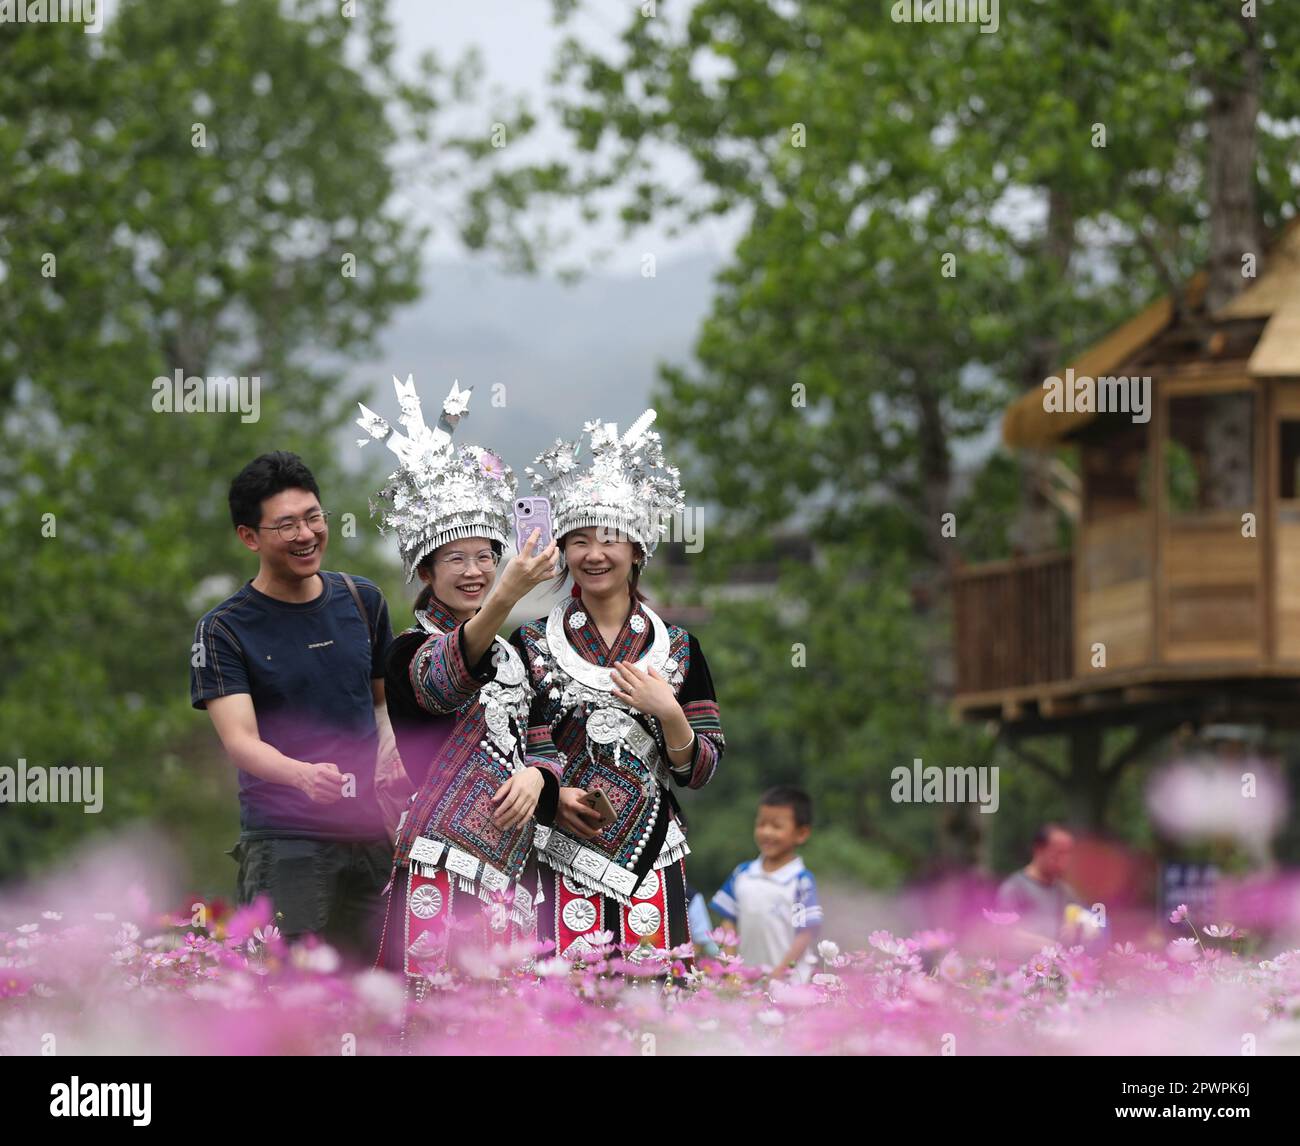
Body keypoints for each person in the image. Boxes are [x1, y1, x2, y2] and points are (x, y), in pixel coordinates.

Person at [356, 378, 561, 990]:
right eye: (457, 560)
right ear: (427, 570)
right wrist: (508, 594)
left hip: (515, 874)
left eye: (485, 557)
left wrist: (538, 776)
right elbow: (446, 679)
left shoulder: (519, 655)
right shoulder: (407, 652)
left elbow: (545, 743)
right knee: (434, 1022)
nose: (474, 572)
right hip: (438, 870)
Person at [511, 410, 725, 966]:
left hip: (653, 852)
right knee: (565, 1015)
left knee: (652, 1012)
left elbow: (700, 771)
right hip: (558, 855)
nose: (594, 555)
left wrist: (668, 712)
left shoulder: (679, 647)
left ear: (636, 551)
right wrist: (553, 801)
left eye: (609, 540)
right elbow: (515, 751)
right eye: (578, 541)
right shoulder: (530, 642)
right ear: (562, 551)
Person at [191, 451, 395, 963]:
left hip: (372, 837)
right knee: (293, 999)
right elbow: (240, 741)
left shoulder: (362, 600)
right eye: (286, 525)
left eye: (313, 517)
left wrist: (393, 761)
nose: (306, 534)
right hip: (286, 842)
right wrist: (302, 776)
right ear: (249, 536)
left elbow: (383, 706)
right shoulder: (225, 629)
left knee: (383, 993)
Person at [711, 786, 822, 981]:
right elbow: (729, 922)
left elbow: (806, 933)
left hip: (788, 984)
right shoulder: (742, 874)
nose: (766, 832)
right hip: (743, 982)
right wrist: (730, 969)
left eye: (776, 826)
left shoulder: (800, 881)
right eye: (761, 824)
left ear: (801, 833)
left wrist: (780, 972)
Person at [994, 823, 1083, 948]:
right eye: (1058, 853)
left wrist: (1074, 924)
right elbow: (1005, 933)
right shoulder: (1014, 888)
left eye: (1068, 853)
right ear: (1038, 850)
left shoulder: (1066, 892)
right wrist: (1046, 946)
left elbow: (1085, 916)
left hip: (1057, 965)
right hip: (1024, 965)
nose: (1064, 860)